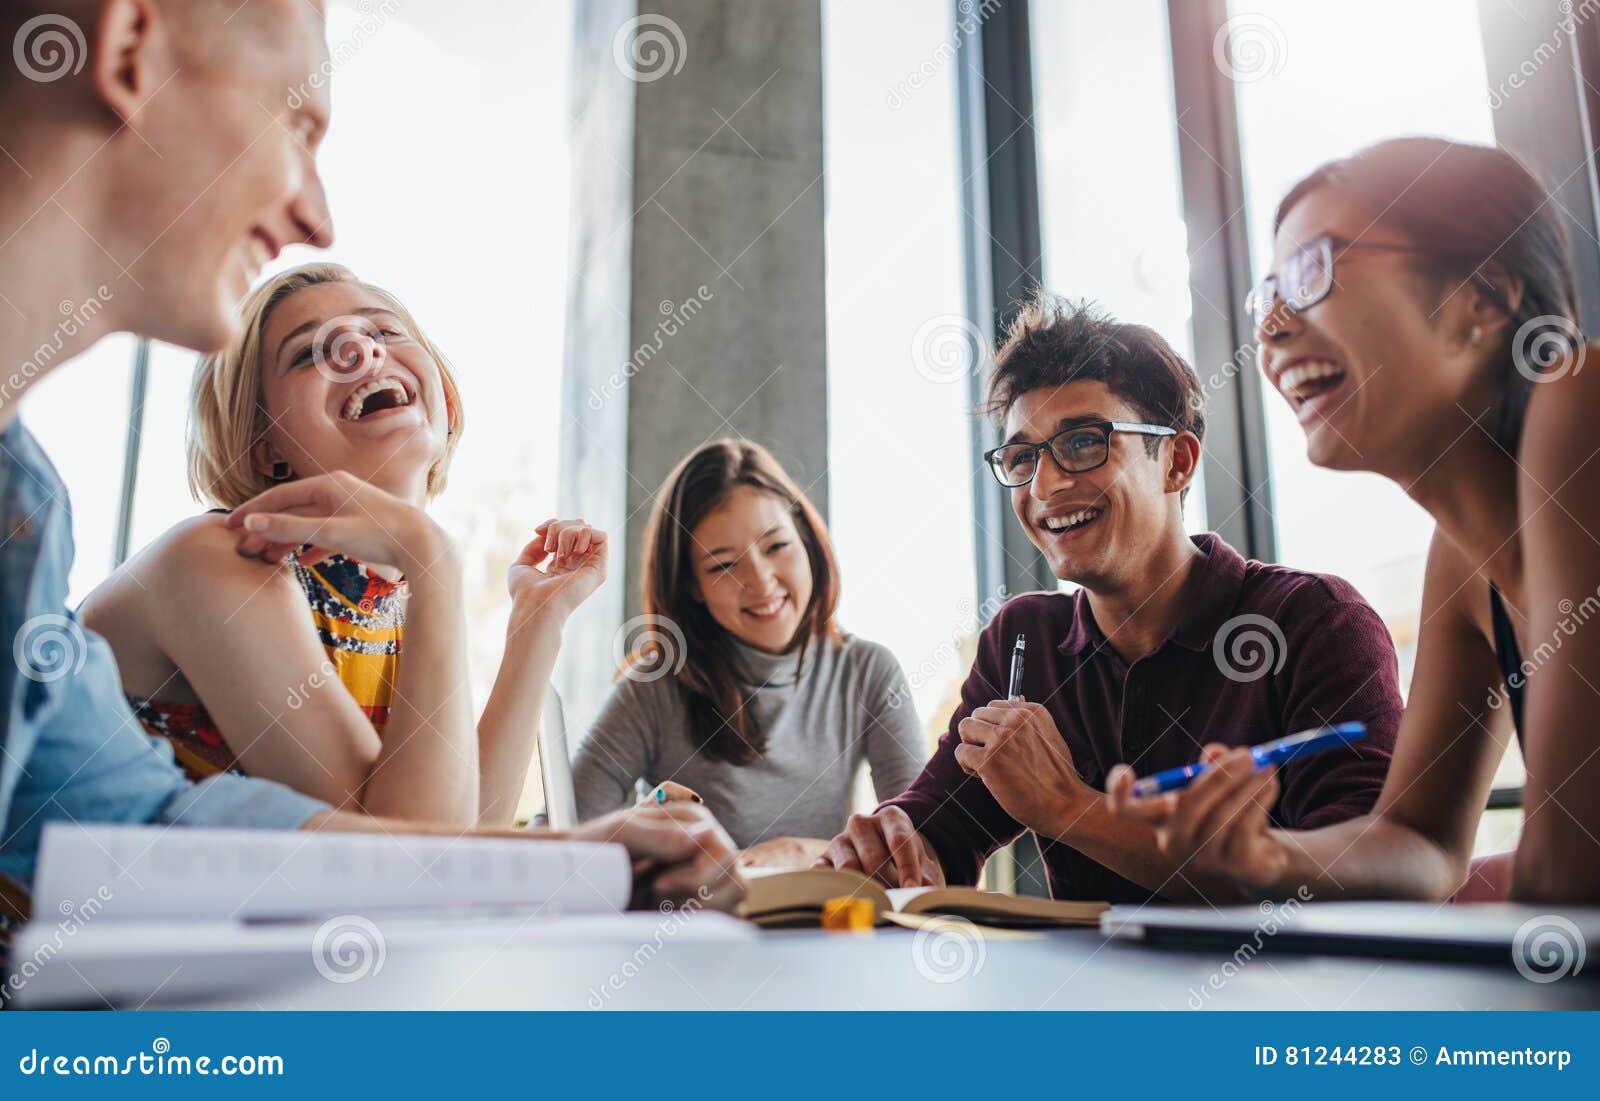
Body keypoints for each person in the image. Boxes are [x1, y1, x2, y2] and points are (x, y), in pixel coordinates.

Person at [0, 0, 739, 918]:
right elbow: (395, 857)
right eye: (294, 125)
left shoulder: (27, 515)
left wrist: (574, 851)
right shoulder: (210, 560)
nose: (316, 213)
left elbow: (142, 823)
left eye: (385, 334)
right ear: (129, 53)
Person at [1108, 137, 1600, 905]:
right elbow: (1421, 839)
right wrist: (1269, 857)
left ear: (1483, 297)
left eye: (1312, 272)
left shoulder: (1583, 396)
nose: (1268, 328)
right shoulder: (1462, 561)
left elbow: (1573, 871)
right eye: (1263, 295)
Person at [817, 298, 1403, 902]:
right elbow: (942, 830)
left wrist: (1067, 807)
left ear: (1176, 462)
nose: (1045, 486)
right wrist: (891, 846)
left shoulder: (1317, 622)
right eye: (1022, 457)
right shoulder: (1024, 642)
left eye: (1082, 444)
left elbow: (1362, 879)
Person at [80, 263, 598, 826]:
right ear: (263, 447)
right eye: (307, 354)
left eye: (383, 331)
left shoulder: (391, 604)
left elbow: (469, 838)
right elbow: (413, 859)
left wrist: (537, 622)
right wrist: (435, 561)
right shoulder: (216, 558)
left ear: (443, 399)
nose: (357, 349)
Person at [570, 439, 925, 863]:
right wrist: (631, 837)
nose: (759, 582)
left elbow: (921, 853)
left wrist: (798, 853)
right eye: (722, 565)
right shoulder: (655, 686)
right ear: (691, 587)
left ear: (807, 542)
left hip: (822, 927)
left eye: (777, 547)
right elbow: (556, 841)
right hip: (690, 927)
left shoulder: (868, 671)